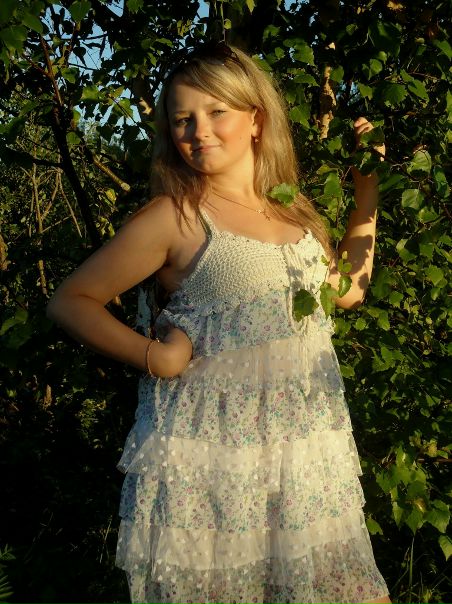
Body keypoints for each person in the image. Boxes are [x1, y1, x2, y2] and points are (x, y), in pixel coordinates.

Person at [47, 42, 391, 604]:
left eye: (216, 112)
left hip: (305, 461)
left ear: (256, 119)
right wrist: (157, 357)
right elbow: (71, 300)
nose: (198, 131)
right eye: (182, 118)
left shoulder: (292, 212)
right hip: (217, 470)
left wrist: (367, 191)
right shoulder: (176, 217)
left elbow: (348, 291)